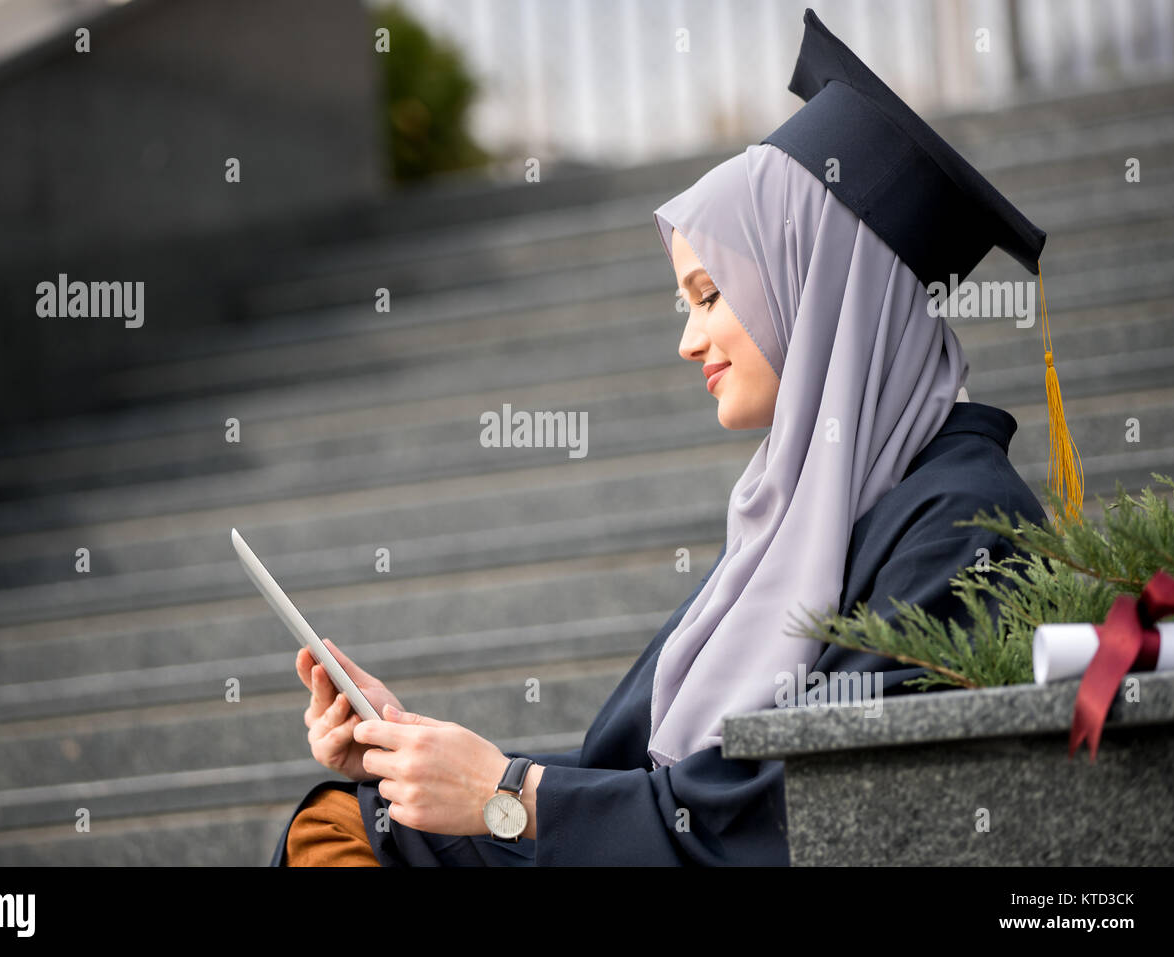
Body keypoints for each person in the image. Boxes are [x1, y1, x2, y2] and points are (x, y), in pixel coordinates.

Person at [270, 8, 1077, 867]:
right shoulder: (795, 511)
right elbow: (638, 779)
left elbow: (817, 814)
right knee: (347, 825)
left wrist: (509, 793)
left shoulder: (963, 524)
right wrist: (416, 751)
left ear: (817, 288)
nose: (688, 340)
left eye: (709, 294)